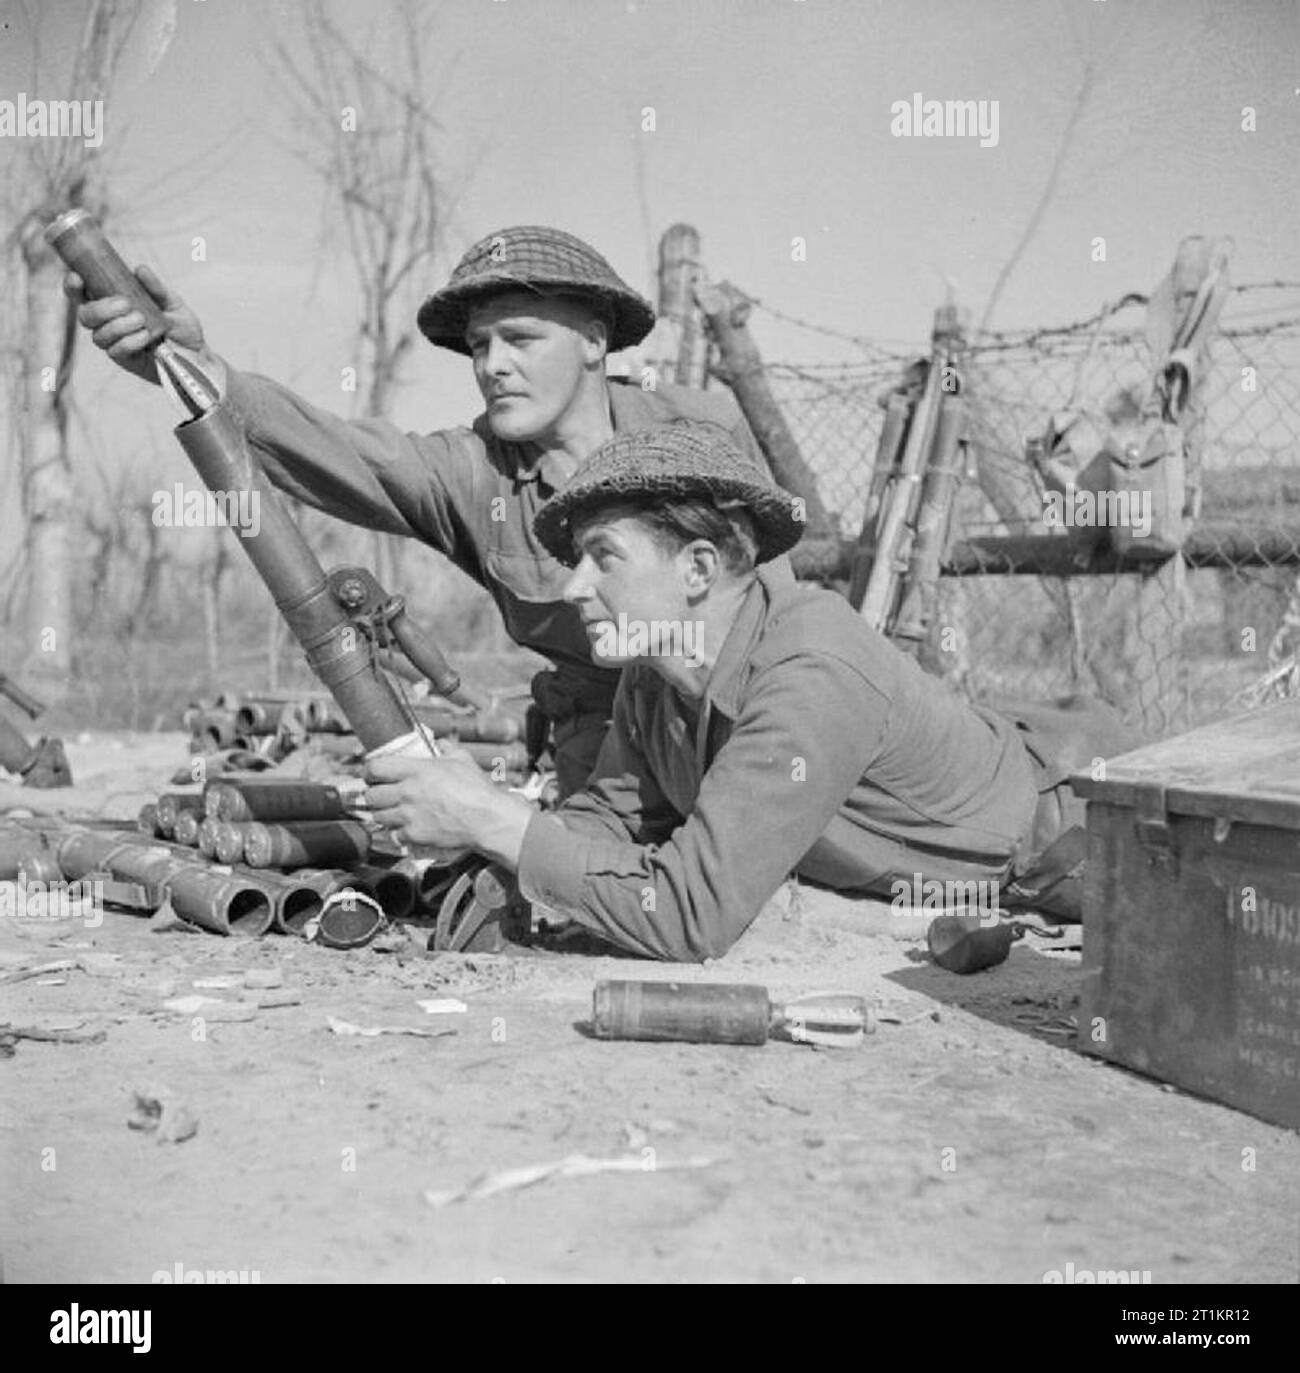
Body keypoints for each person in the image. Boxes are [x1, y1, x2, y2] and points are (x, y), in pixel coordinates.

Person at [363, 420, 1113, 963]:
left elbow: (692, 913)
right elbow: (616, 817)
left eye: (602, 557)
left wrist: (491, 819)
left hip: (1094, 826)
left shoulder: (811, 666)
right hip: (954, 872)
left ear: (696, 569)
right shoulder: (656, 675)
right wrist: (494, 854)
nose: (573, 586)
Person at [65, 226, 765, 796]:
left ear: (594, 339)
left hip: (729, 725)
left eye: (519, 338)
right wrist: (194, 369)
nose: (492, 364)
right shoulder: (470, 470)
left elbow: (774, 624)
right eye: (479, 345)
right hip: (605, 749)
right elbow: (338, 450)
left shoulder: (702, 430)